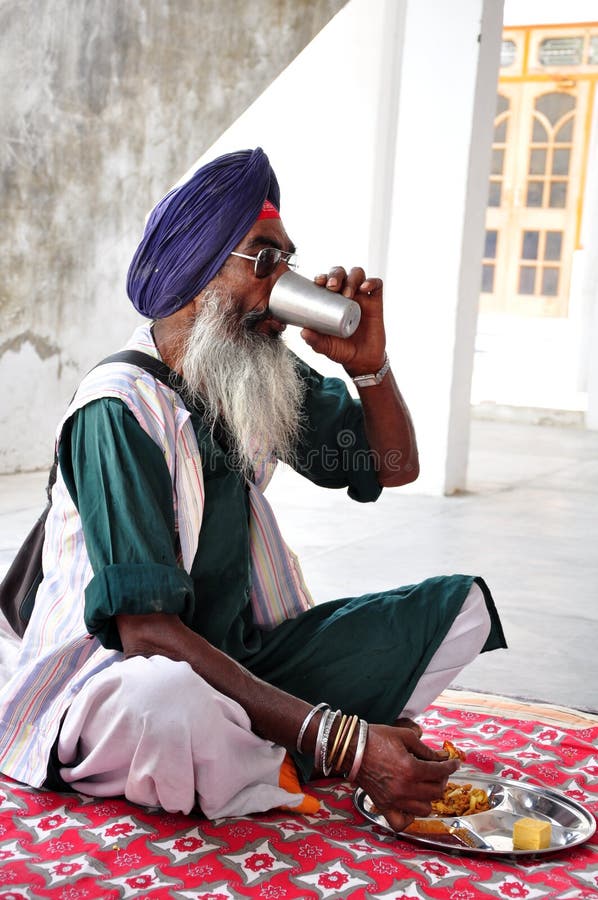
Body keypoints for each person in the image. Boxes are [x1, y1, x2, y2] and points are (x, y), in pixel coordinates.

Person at [0, 148, 506, 831]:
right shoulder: (116, 409)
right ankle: (273, 751)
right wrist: (343, 741)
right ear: (195, 278)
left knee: (456, 610)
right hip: (116, 675)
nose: (285, 287)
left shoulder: (253, 372)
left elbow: (393, 464)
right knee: (169, 703)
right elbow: (146, 632)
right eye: (265, 261)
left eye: (287, 262)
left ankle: (259, 743)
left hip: (239, 654)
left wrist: (371, 368)